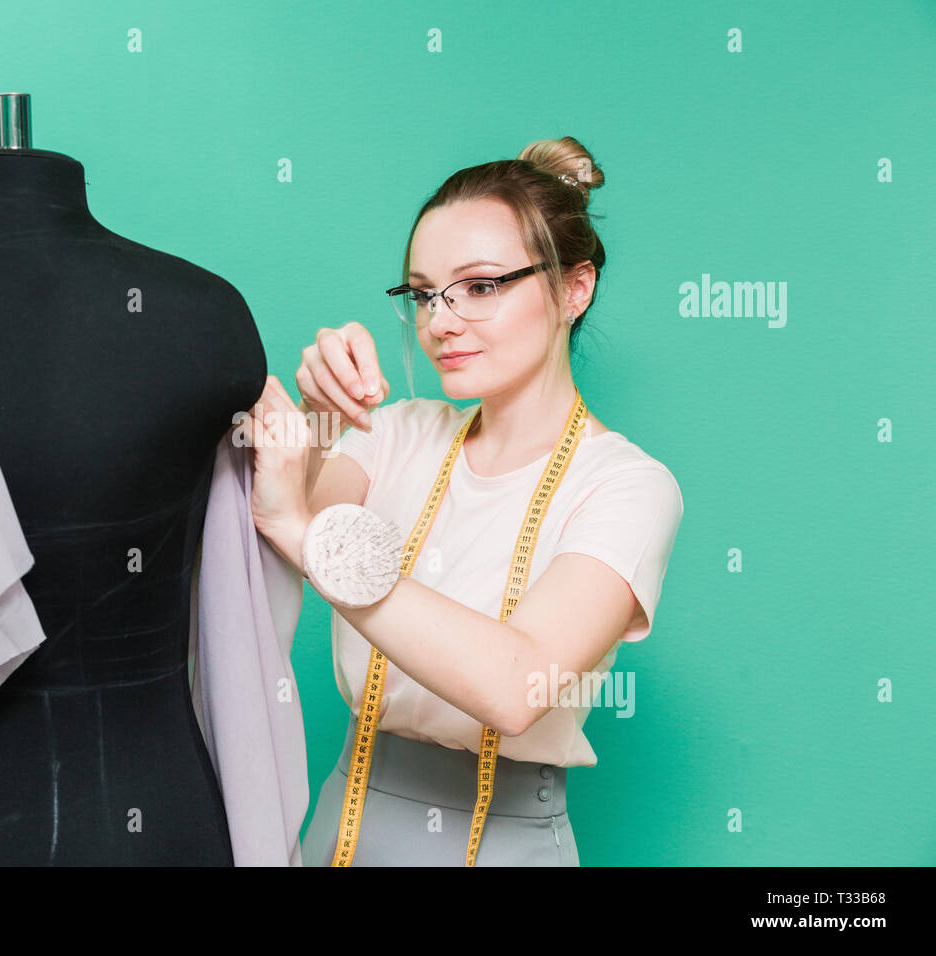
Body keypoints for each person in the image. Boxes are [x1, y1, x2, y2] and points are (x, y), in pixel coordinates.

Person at [244, 136, 684, 866]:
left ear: (574, 289)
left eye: (480, 286)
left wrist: (303, 531)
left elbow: (515, 688)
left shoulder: (628, 486)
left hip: (506, 841)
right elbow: (270, 530)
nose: (440, 321)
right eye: (423, 293)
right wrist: (319, 419)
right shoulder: (393, 434)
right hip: (343, 819)